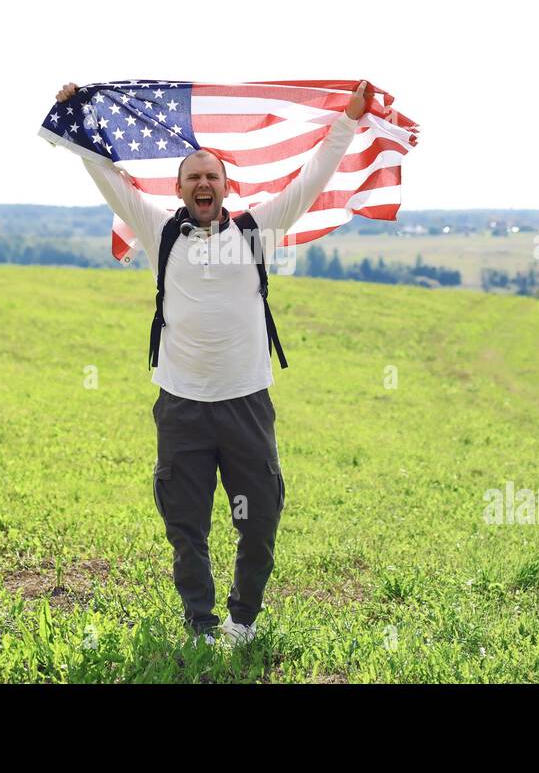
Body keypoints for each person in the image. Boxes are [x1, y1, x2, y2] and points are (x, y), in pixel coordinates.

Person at [53, 78, 373, 645]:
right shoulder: (159, 232)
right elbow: (105, 175)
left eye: (212, 177)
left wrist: (346, 120)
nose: (203, 184)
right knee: (186, 524)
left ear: (227, 188)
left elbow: (311, 181)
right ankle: (200, 624)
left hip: (246, 403)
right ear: (178, 189)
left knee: (259, 521)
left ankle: (242, 620)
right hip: (181, 406)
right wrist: (72, 112)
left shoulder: (257, 231)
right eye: (193, 177)